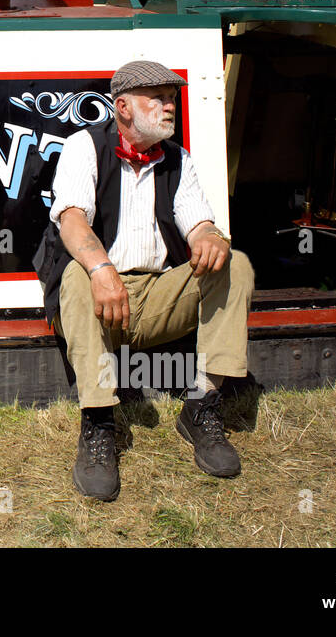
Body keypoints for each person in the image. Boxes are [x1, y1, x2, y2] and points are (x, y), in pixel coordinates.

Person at [33, 60, 254, 502]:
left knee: (237, 262)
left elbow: (198, 225)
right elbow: (72, 223)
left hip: (155, 298)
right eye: (158, 98)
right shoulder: (84, 146)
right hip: (96, 300)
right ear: (124, 108)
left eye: (172, 98)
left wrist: (210, 237)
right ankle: (98, 423)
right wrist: (102, 270)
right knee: (77, 271)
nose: (170, 106)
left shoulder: (178, 159)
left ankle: (202, 406)